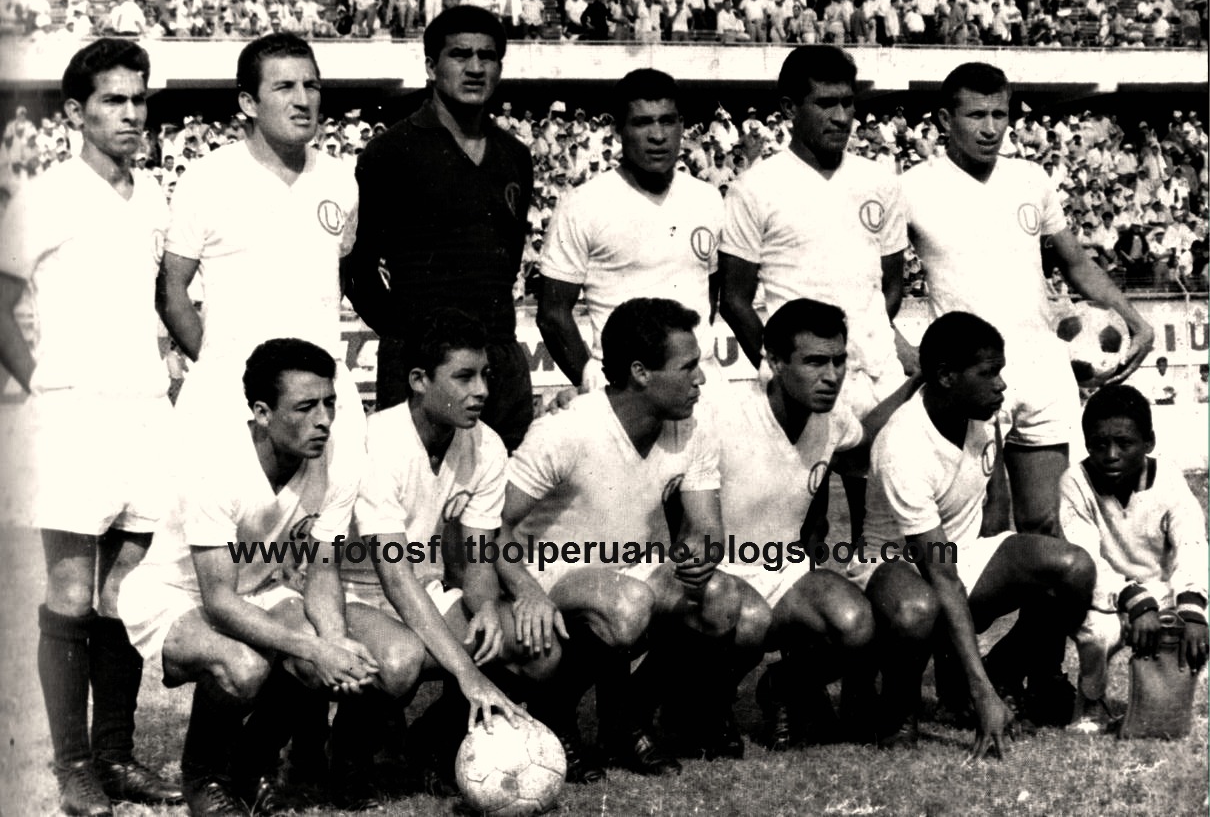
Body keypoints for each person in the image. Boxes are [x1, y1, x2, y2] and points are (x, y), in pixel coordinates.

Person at [117, 339, 422, 816]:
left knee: (346, 651)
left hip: (258, 588)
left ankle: (253, 766)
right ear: (262, 412)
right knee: (245, 666)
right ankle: (204, 775)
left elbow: (323, 570)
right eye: (305, 407)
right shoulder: (218, 466)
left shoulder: (337, 458)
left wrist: (335, 643)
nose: (323, 419)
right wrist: (313, 647)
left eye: (329, 404)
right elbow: (218, 601)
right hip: (176, 594)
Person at [0, 38, 181, 816]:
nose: (131, 114)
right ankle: (73, 766)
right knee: (71, 588)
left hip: (143, 408)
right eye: (114, 100)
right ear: (76, 112)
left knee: (124, 591)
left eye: (139, 100)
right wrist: (40, 383)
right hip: (74, 409)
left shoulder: (153, 197)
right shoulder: (44, 195)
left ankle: (116, 755)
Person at [497, 298, 766, 779]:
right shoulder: (566, 430)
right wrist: (527, 592)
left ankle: (633, 718)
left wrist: (703, 555)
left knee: (724, 600)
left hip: (630, 570)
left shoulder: (690, 430)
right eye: (688, 368)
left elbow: (708, 529)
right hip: (553, 568)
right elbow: (494, 525)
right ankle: (556, 719)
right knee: (627, 605)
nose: (700, 379)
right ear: (641, 372)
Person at [900, 62, 1154, 543]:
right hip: (973, 375)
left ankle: (1040, 623)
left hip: (1041, 366)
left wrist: (1133, 319)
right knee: (983, 525)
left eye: (1001, 114)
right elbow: (879, 283)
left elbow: (1076, 264)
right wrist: (905, 352)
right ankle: (965, 620)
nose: (991, 128)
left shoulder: (1031, 179)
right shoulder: (912, 188)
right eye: (977, 115)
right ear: (942, 120)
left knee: (1045, 521)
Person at [854, 312, 1097, 753]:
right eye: (988, 373)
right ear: (946, 376)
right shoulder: (903, 444)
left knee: (1074, 566)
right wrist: (979, 693)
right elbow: (941, 574)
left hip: (958, 556)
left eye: (1000, 371)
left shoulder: (983, 414)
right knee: (916, 609)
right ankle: (898, 710)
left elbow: (994, 511)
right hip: (893, 570)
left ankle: (999, 671)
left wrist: (971, 674)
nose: (1001, 384)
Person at [336, 308, 542, 795]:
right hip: (351, 591)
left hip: (420, 587)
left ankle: (432, 744)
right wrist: (467, 673)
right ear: (419, 381)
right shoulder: (377, 442)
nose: (482, 392)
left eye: (486, 376)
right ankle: (344, 755)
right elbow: (394, 578)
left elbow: (478, 553)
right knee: (401, 660)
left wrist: (488, 606)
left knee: (529, 646)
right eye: (464, 377)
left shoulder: (486, 445)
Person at [718, 44, 912, 542]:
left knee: (888, 519)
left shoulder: (879, 182)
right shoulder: (755, 188)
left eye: (848, 103)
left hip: (873, 369)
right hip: (803, 373)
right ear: (789, 109)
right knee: (807, 521)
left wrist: (870, 341)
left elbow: (892, 282)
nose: (842, 116)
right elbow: (736, 298)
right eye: (826, 103)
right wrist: (780, 365)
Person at [713, 298, 926, 749]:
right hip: (718, 579)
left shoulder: (831, 417)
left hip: (781, 576)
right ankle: (701, 705)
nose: (831, 375)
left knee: (856, 623)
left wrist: (917, 381)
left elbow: (864, 437)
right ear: (774, 361)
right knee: (737, 622)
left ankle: (783, 687)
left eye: (839, 360)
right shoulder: (723, 412)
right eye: (814, 362)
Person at [155, 32, 364, 473]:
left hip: (323, 395)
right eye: (284, 87)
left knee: (323, 533)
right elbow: (171, 288)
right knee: (222, 535)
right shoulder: (208, 178)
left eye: (312, 86)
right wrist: (218, 364)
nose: (303, 100)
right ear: (249, 103)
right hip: (231, 399)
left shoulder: (340, 180)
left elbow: (338, 274)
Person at [343, 5, 535, 451]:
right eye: (460, 55)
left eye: (487, 56)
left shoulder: (514, 154)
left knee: (503, 507)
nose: (474, 67)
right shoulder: (391, 151)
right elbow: (357, 270)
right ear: (431, 66)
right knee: (414, 510)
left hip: (498, 362)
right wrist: (413, 336)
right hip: (423, 367)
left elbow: (506, 259)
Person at [537, 68, 723, 394]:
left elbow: (709, 292)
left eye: (667, 120)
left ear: (682, 125)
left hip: (702, 381)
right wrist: (592, 384)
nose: (658, 135)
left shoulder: (707, 198)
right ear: (619, 129)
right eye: (642, 122)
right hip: (626, 386)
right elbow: (553, 314)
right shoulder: (583, 204)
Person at [1059, 385, 1207, 732]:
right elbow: (1085, 554)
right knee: (1097, 633)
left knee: (1198, 628)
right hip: (1107, 597)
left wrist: (1190, 604)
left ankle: (1170, 701)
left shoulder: (1168, 477)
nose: (1110, 455)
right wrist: (1133, 601)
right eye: (1099, 444)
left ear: (1149, 442)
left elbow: (1192, 543)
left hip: (1166, 592)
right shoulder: (1075, 482)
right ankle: (1091, 700)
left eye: (1124, 443)